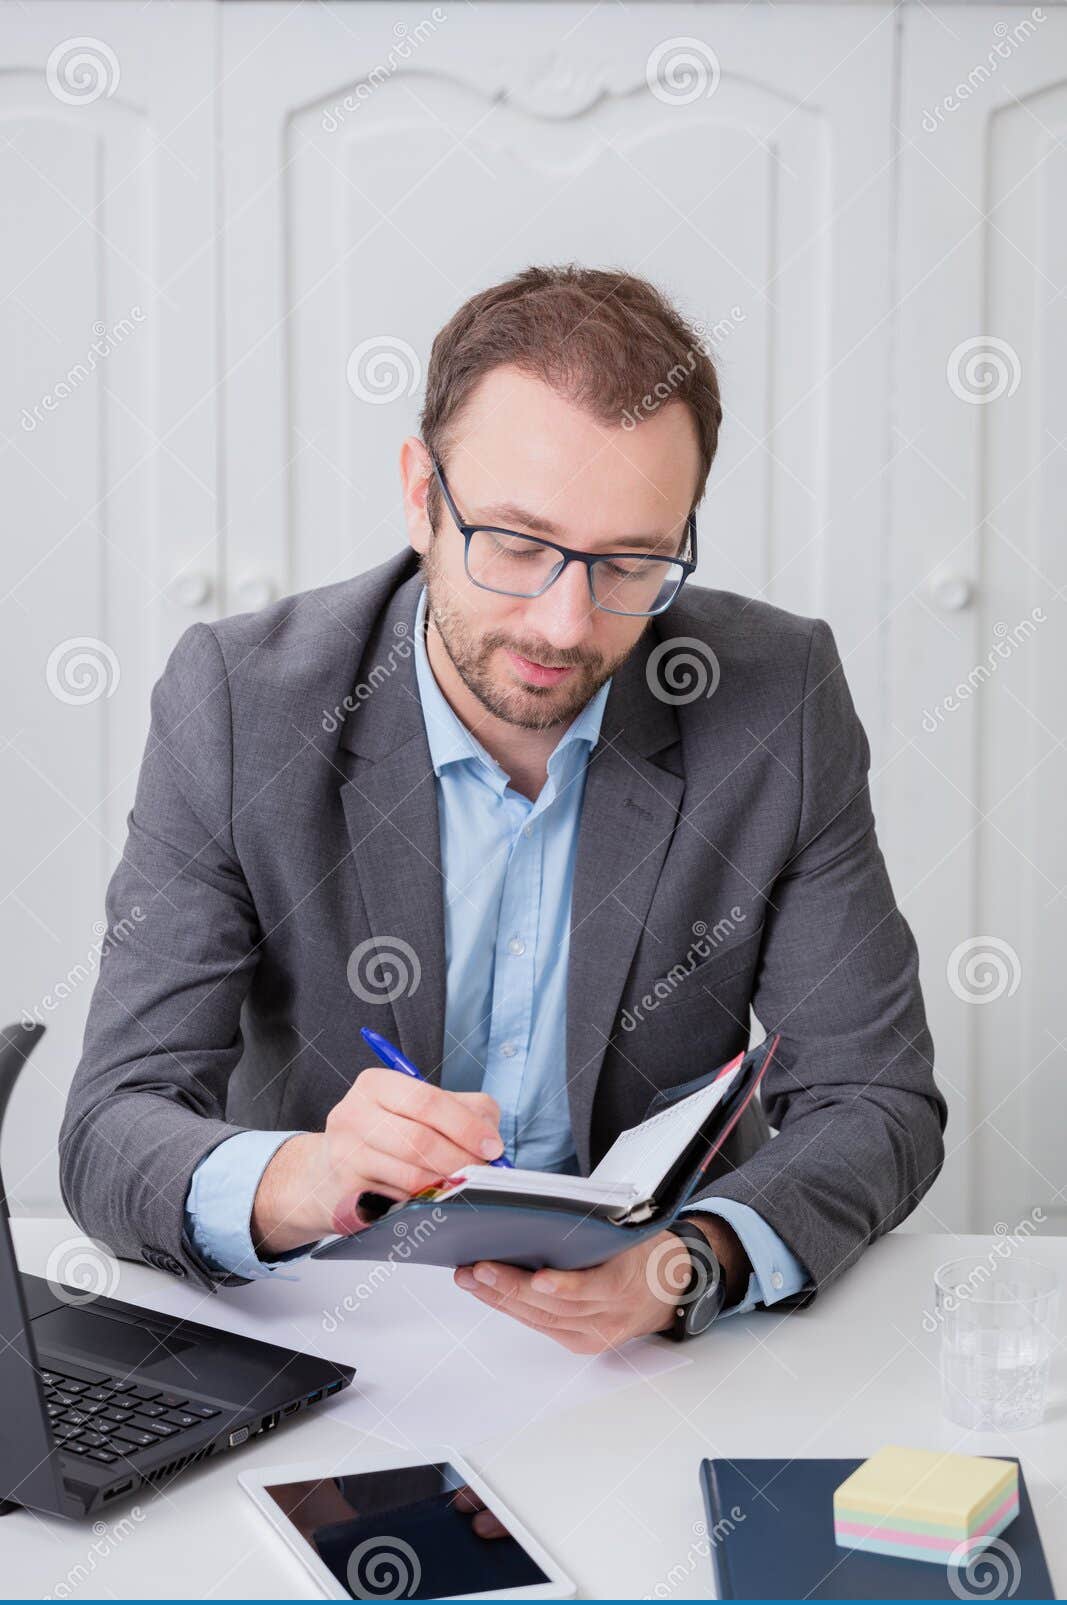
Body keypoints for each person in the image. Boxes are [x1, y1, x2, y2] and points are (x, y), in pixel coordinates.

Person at [60, 264, 946, 1351]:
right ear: (420, 496)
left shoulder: (775, 698)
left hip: (655, 1352)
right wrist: (314, 1176)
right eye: (517, 545)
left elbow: (875, 1100)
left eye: (630, 561)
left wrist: (689, 1263)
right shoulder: (243, 703)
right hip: (335, 1328)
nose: (565, 624)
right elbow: (109, 1128)